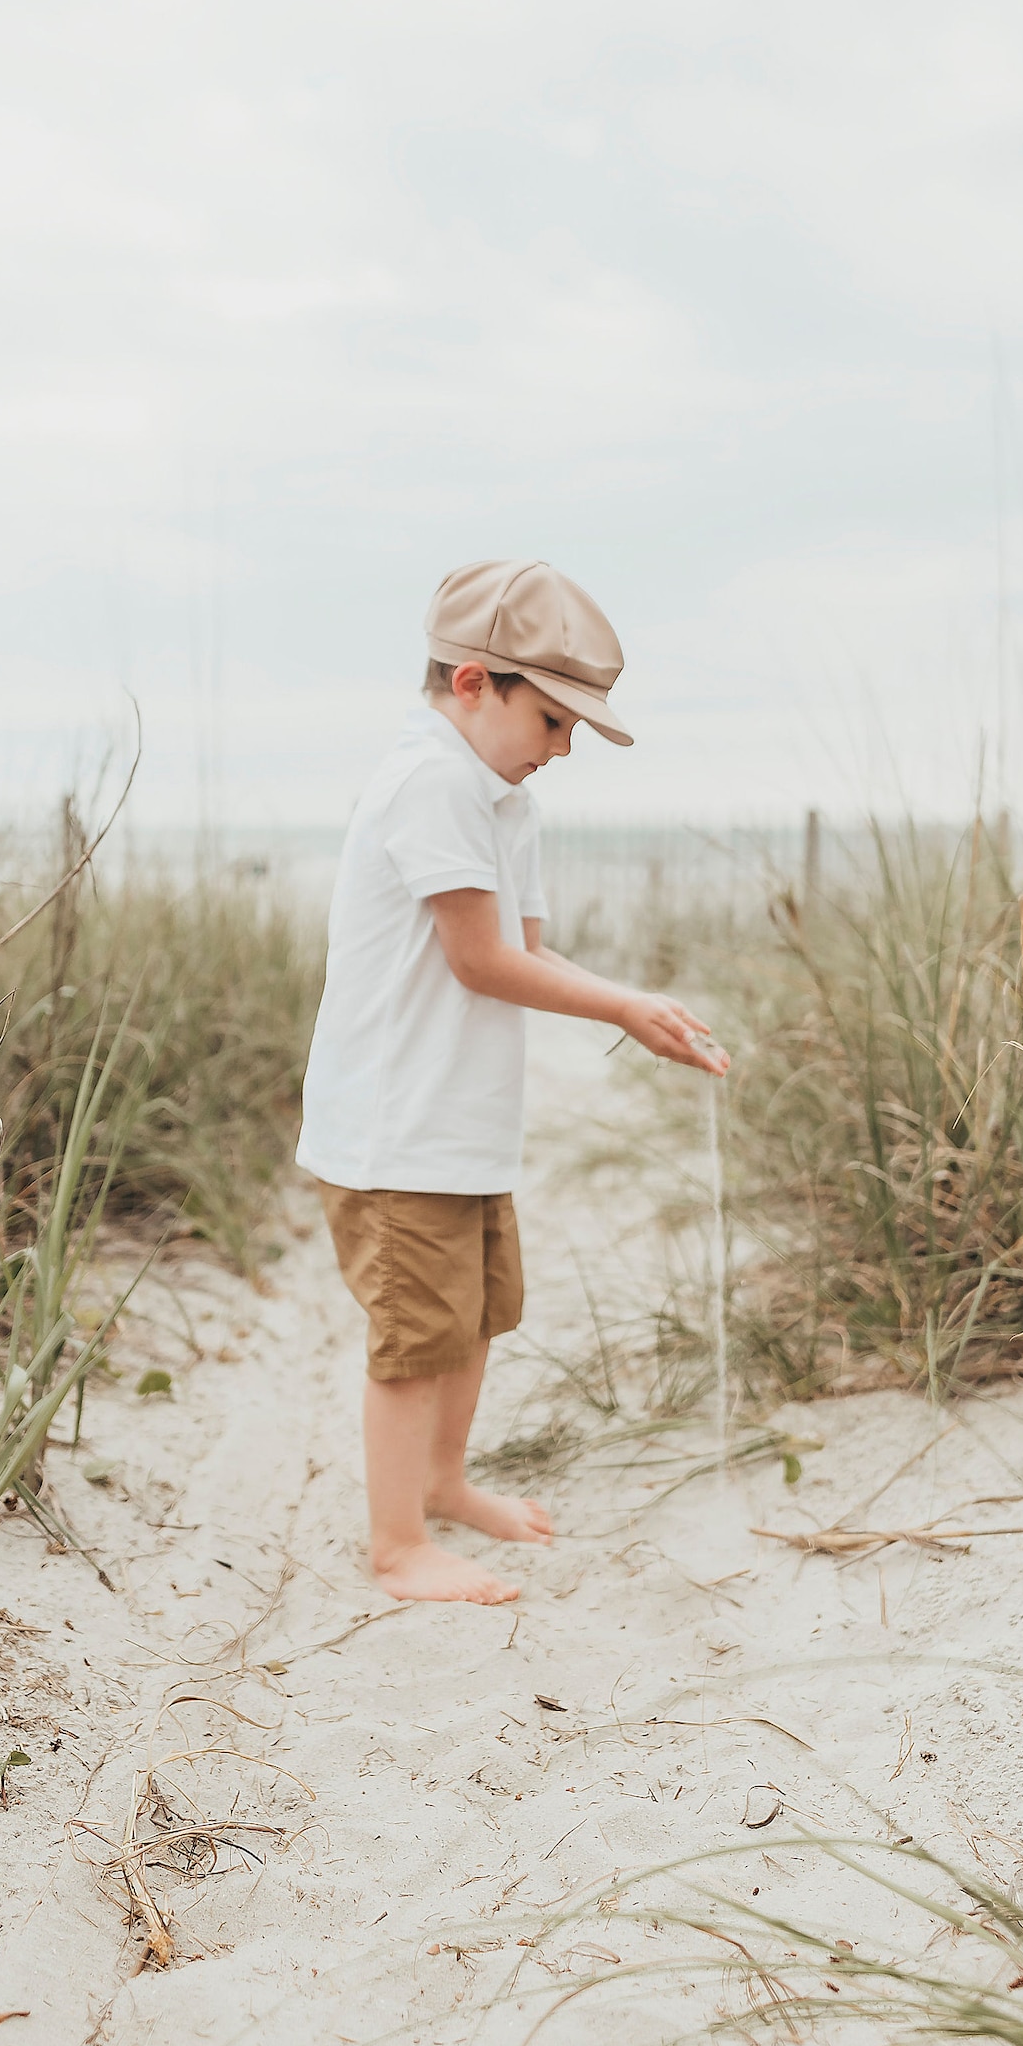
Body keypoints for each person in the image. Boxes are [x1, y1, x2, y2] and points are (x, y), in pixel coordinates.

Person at [296, 558, 727, 1605]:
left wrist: (637, 1004)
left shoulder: (504, 799)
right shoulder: (433, 780)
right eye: (553, 719)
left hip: (463, 1123)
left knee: (475, 1316)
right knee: (415, 1336)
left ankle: (442, 1483)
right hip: (396, 1129)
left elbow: (528, 951)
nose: (563, 746)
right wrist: (622, 1008)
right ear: (473, 683)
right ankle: (397, 1545)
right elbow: (478, 960)